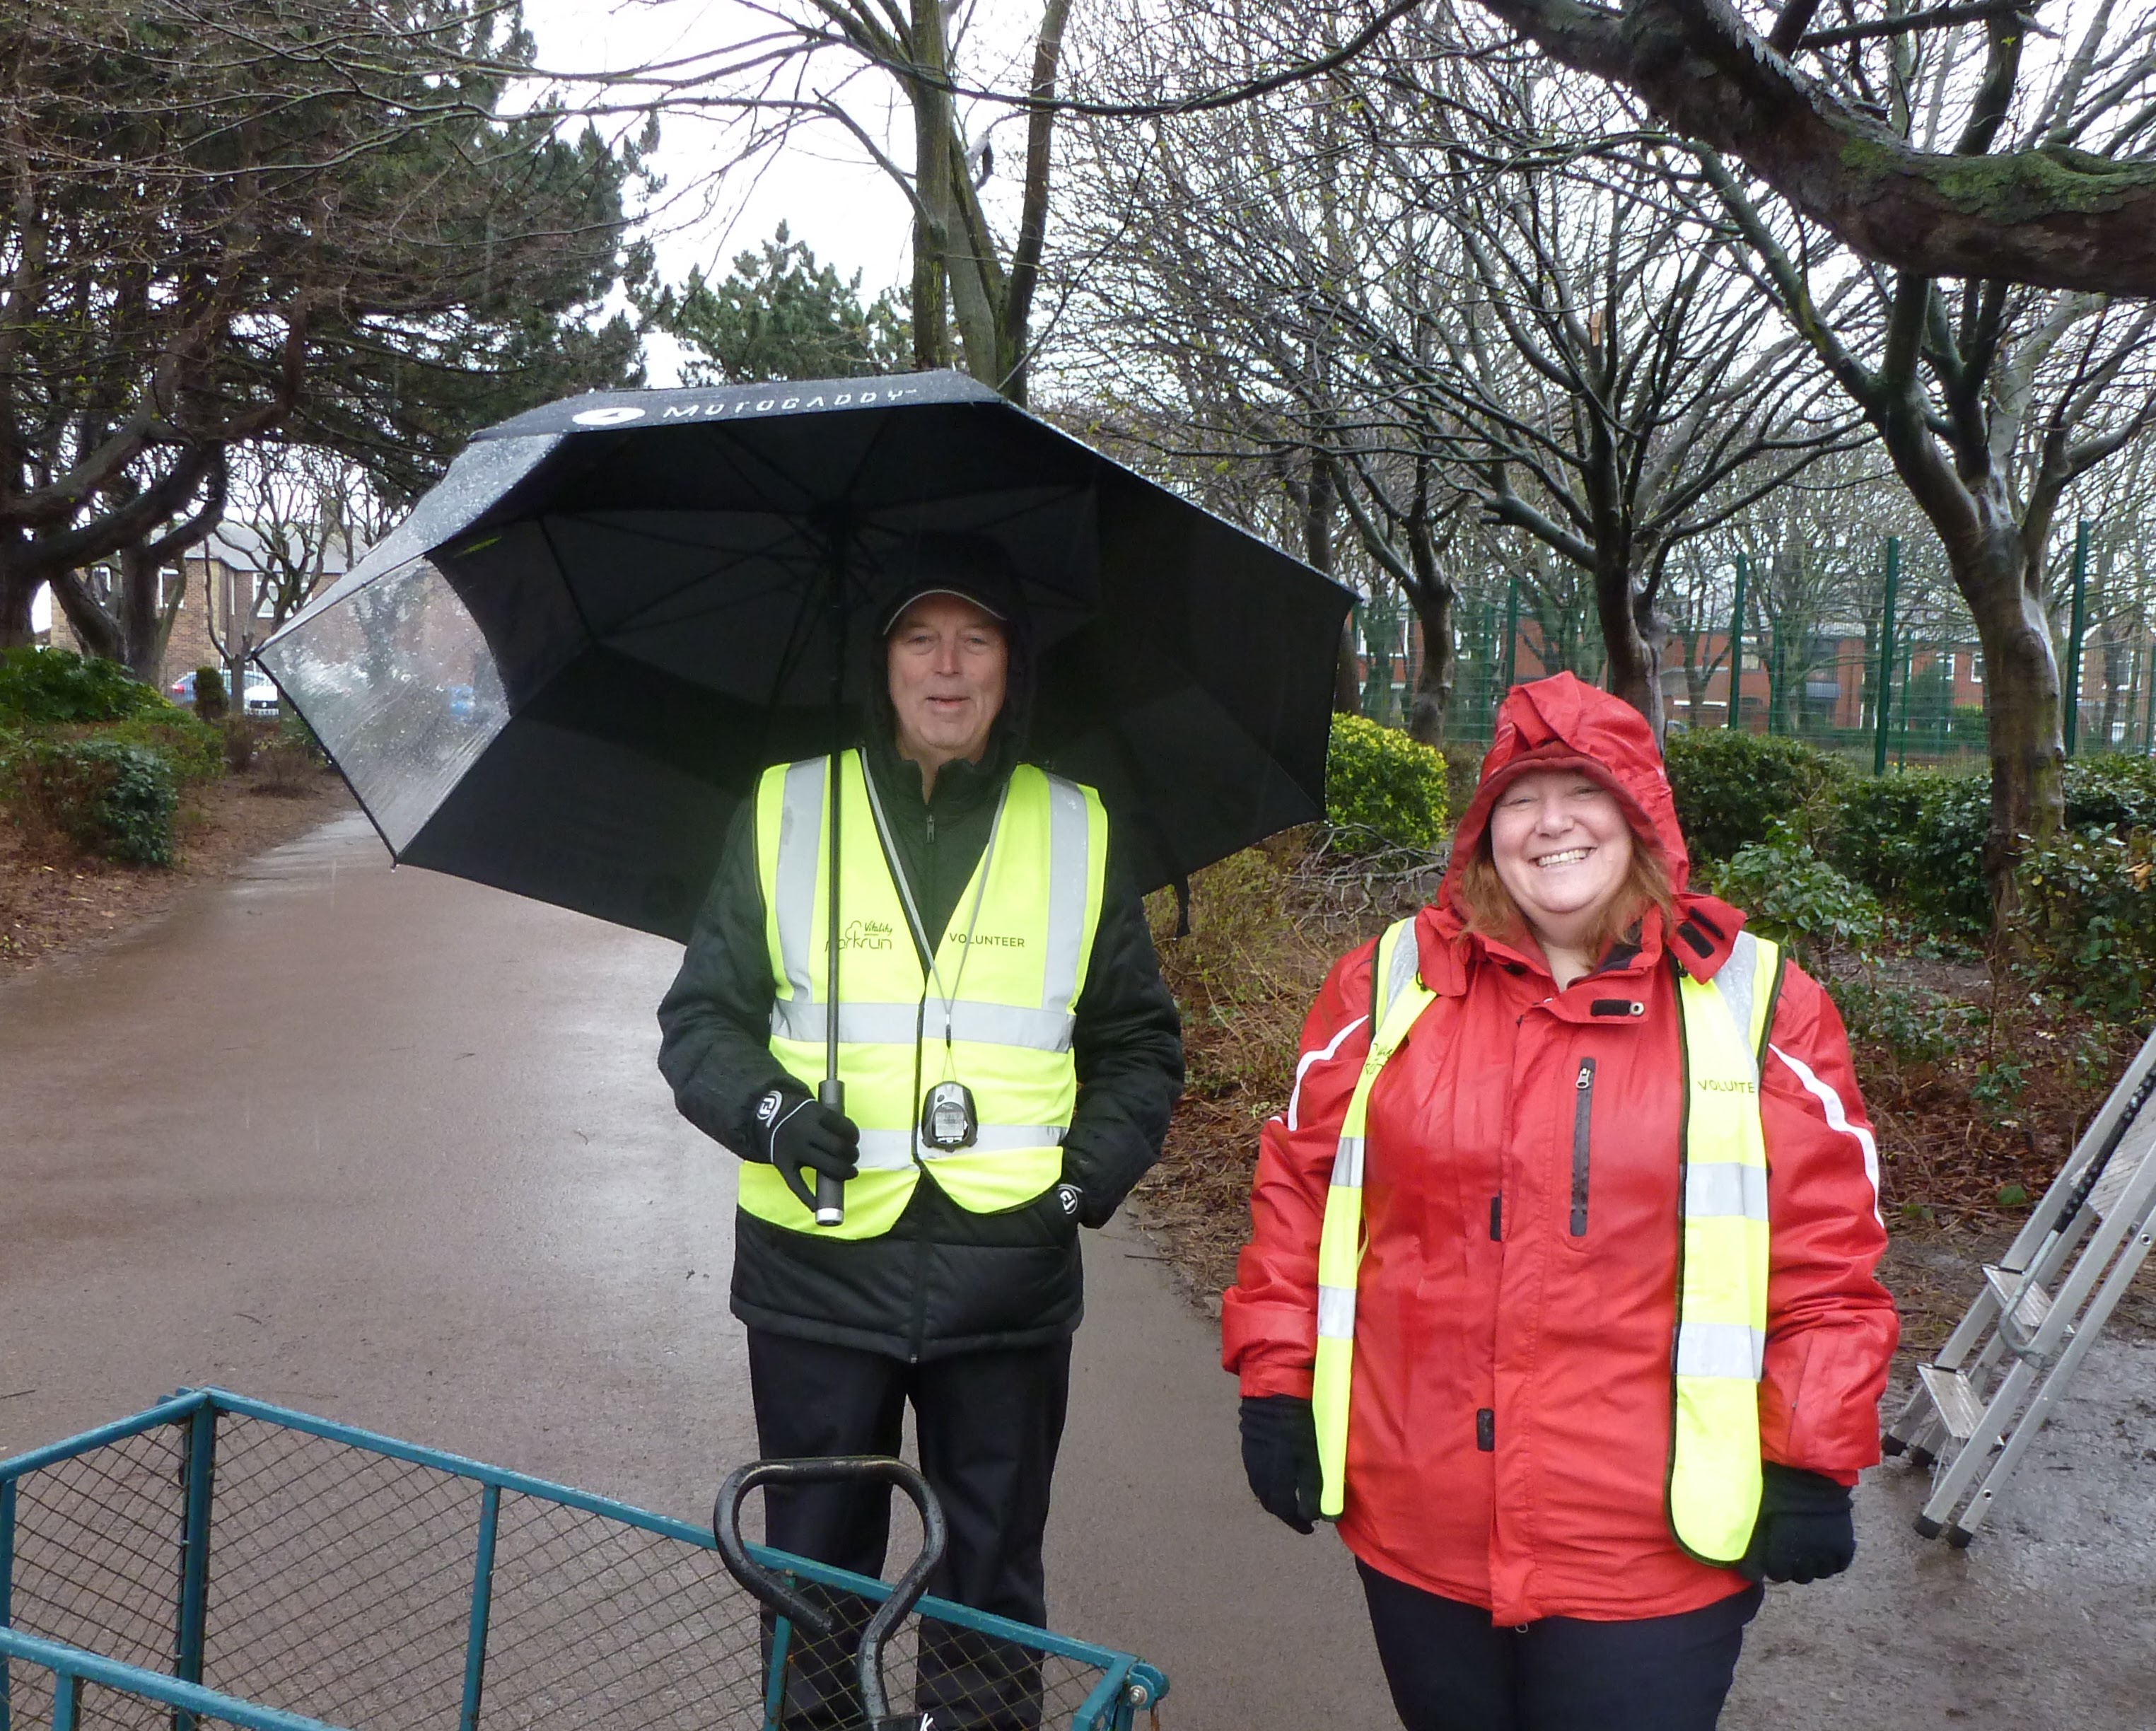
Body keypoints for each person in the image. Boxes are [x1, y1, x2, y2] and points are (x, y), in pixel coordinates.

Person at [1223, 672, 1896, 1731]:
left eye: (1581, 791)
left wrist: (1812, 1453)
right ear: (1482, 832)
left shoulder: (1758, 1003)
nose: (1549, 825)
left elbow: (1823, 1258)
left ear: (1639, 817)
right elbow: (1298, 1200)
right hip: (1420, 1520)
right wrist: (1276, 1383)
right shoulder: (1386, 982)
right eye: (1518, 799)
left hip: (1649, 1551)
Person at [658, 536, 1184, 1729]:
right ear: (880, 664)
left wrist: (1081, 1182)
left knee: (991, 1568)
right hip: (817, 1270)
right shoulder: (791, 807)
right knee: (813, 1570)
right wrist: (771, 1114)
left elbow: (1140, 1047)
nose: (946, 669)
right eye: (917, 638)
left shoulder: (1076, 826)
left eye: (976, 640)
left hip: (1009, 1270)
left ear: (1011, 668)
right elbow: (700, 1024)